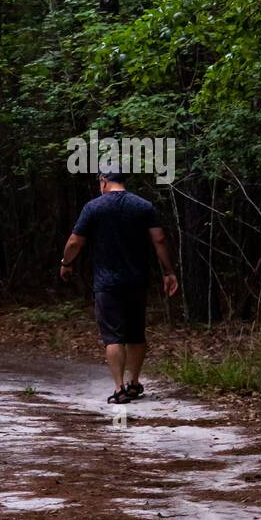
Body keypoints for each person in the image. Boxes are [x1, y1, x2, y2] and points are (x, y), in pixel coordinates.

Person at [60, 170, 179, 403]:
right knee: (136, 334)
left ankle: (119, 388)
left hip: (107, 283)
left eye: (99, 183)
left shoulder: (94, 207)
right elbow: (159, 240)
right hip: (137, 280)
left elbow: (75, 242)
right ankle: (135, 382)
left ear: (104, 181)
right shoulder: (143, 206)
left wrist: (66, 263)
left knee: (113, 337)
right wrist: (169, 272)